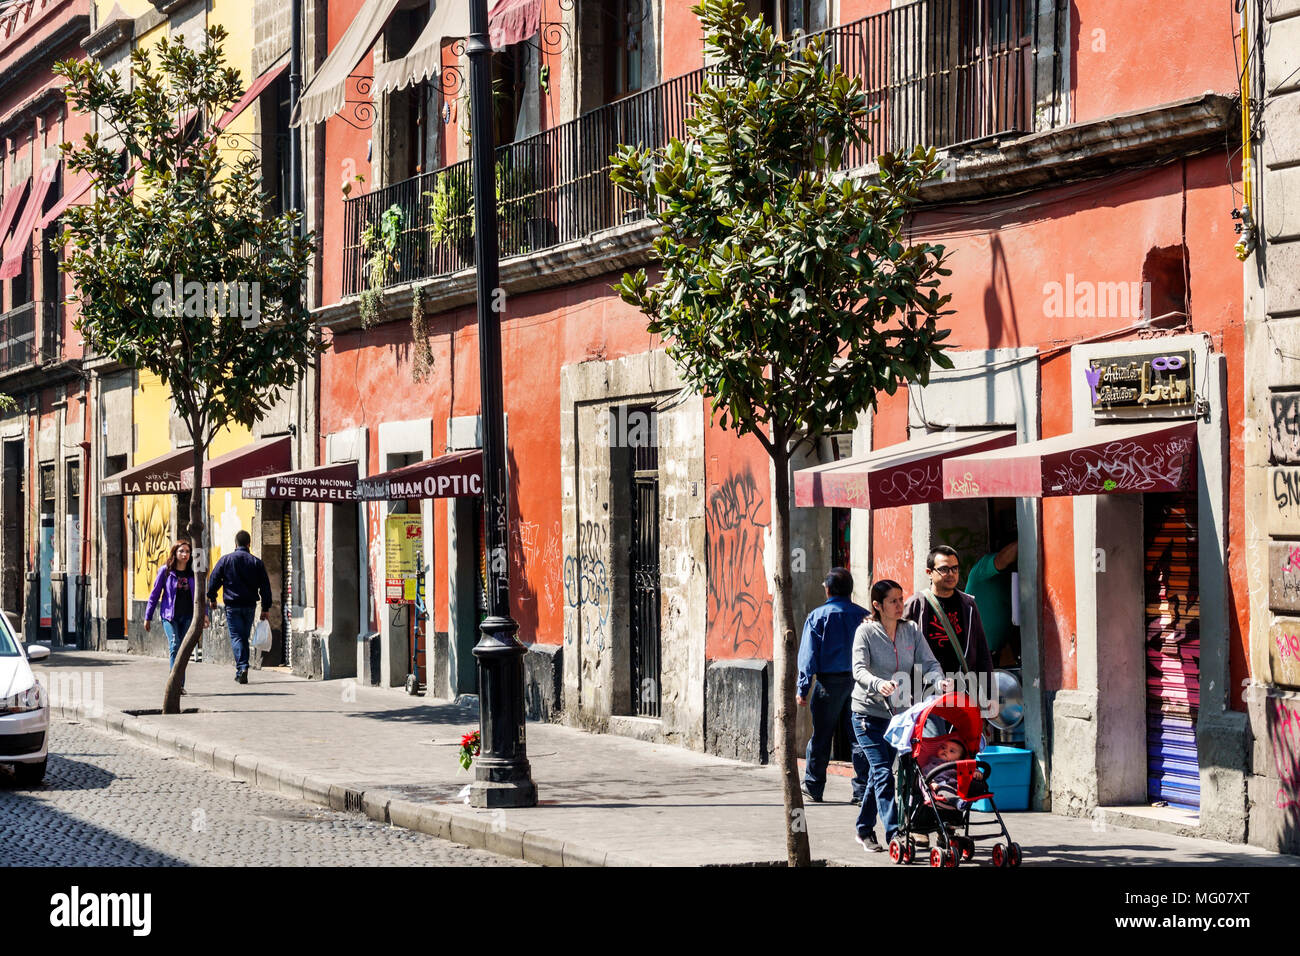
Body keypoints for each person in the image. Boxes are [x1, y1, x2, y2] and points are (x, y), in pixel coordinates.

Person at [851, 579, 945, 852]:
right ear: (877, 606)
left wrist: (938, 681)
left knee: (878, 775)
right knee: (882, 772)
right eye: (893, 601)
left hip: (899, 715)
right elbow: (858, 669)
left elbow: (929, 663)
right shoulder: (865, 632)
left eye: (901, 599)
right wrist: (877, 683)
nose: (899, 605)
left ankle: (863, 829)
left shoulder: (911, 630)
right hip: (867, 714)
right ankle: (895, 834)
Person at [797, 568, 872, 807]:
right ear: (850, 590)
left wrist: (803, 687)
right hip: (860, 683)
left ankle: (813, 786)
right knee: (859, 736)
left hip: (828, 684)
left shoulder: (818, 616)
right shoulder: (865, 616)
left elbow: (808, 656)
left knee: (821, 736)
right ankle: (861, 791)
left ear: (827, 589)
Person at [904, 545, 995, 708]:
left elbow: (981, 651)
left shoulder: (968, 605)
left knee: (962, 734)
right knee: (933, 733)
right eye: (944, 569)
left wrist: (989, 695)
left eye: (954, 569)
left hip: (962, 689)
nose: (951, 574)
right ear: (929, 572)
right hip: (926, 691)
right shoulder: (916, 604)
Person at [206, 529, 272, 684]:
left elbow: (214, 579)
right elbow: (265, 587)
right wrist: (265, 608)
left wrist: (212, 597)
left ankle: (242, 668)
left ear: (235, 544)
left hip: (232, 606)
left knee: (236, 637)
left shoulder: (226, 560)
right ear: (249, 544)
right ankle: (242, 667)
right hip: (249, 606)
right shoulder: (256, 562)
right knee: (243, 636)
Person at [144, 540, 203, 694]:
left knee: (183, 650)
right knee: (175, 645)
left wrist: (205, 615)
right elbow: (155, 594)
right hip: (170, 616)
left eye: (187, 552)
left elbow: (200, 595)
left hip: (188, 616)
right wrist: (147, 616)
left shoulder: (193, 573)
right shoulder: (166, 571)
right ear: (175, 553)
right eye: (181, 551)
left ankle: (179, 685)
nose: (185, 555)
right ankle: (174, 683)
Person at [963, 539, 1019, 666]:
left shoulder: (1010, 581)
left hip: (997, 654)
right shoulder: (982, 569)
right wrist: (1026, 541)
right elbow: (1003, 559)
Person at [921, 735, 988, 808]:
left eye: (952, 751)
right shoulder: (932, 765)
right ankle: (958, 802)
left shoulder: (960, 765)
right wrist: (931, 783)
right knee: (944, 791)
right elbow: (923, 777)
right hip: (941, 787)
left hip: (960, 787)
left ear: (959, 758)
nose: (945, 750)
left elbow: (970, 769)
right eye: (943, 747)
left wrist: (976, 772)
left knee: (976, 783)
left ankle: (973, 794)